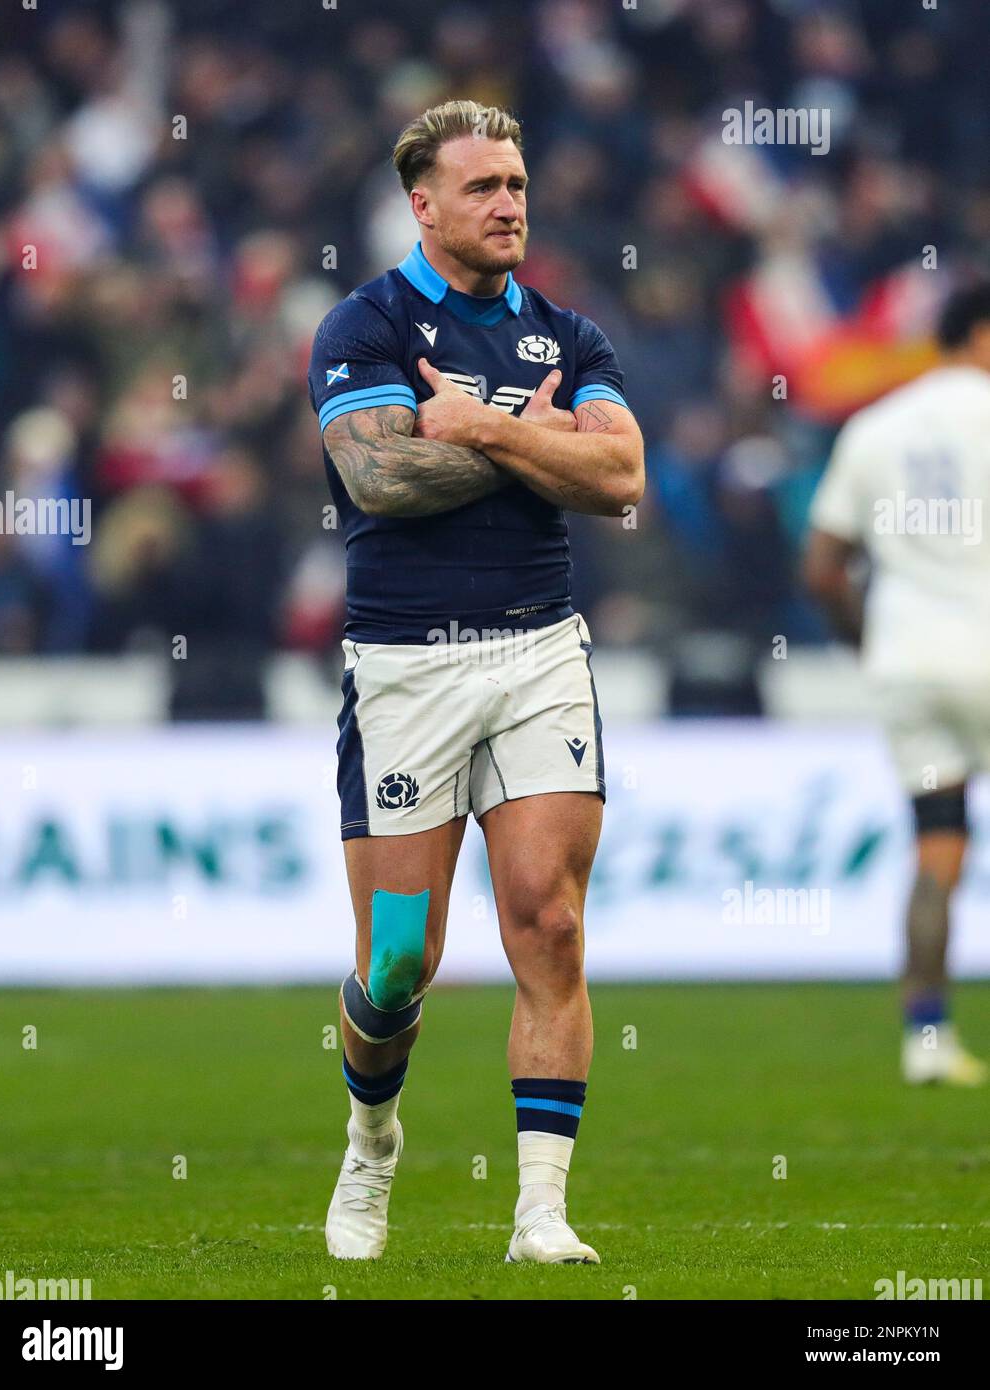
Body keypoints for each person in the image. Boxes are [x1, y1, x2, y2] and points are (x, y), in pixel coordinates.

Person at [308, 100, 644, 1262]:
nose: (509, 204)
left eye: (516, 181)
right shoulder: (363, 326)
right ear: (423, 204)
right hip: (405, 664)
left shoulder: (568, 333)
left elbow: (621, 475)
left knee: (548, 923)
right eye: (483, 187)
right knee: (399, 958)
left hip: (540, 648)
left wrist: (485, 432)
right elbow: (382, 478)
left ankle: (540, 1212)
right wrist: (531, 446)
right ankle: (372, 1143)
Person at [803, 282, 990, 1087]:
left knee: (936, 847)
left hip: (909, 662)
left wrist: (868, 642)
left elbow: (821, 567)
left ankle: (926, 1038)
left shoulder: (875, 426)